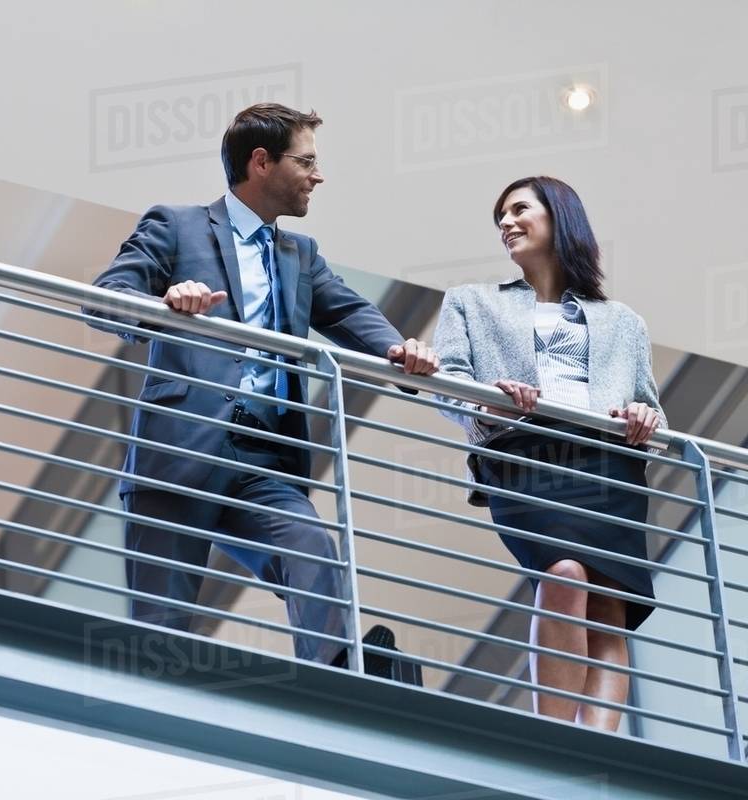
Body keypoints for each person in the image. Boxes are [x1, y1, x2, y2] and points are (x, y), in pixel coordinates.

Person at [88, 103, 439, 667]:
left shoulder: (300, 253)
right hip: (180, 450)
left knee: (313, 552)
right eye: (306, 162)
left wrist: (406, 352)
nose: (317, 176)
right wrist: (165, 305)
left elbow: (353, 316)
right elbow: (105, 299)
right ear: (260, 162)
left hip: (264, 459)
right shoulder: (176, 225)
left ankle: (335, 689)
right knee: (161, 628)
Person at [433, 176, 666, 729]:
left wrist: (643, 417)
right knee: (562, 572)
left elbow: (651, 409)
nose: (506, 224)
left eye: (519, 210)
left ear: (559, 217)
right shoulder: (471, 302)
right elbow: (449, 387)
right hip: (521, 453)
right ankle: (557, 740)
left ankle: (598, 750)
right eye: (500, 219)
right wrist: (490, 406)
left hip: (608, 462)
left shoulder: (624, 322)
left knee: (610, 604)